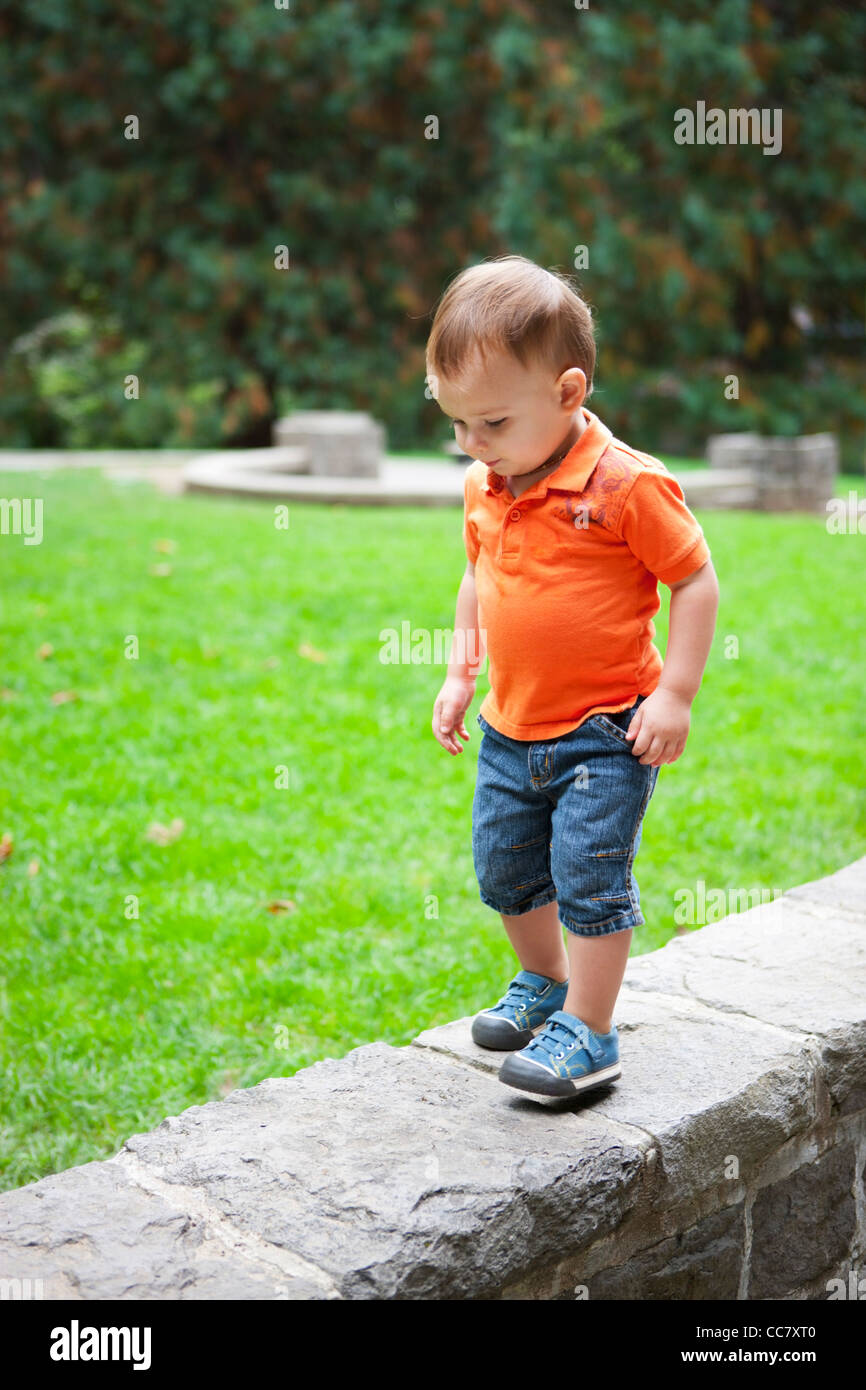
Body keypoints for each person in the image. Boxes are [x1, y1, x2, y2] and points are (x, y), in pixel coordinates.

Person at [427, 255, 719, 1099]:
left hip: (607, 729)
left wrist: (676, 694)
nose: (471, 449)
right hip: (511, 726)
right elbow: (479, 577)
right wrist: (458, 672)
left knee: (589, 877)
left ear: (567, 390)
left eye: (488, 424)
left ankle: (592, 1032)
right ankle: (546, 983)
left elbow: (693, 578)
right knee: (507, 871)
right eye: (457, 428)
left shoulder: (626, 484)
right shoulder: (488, 484)